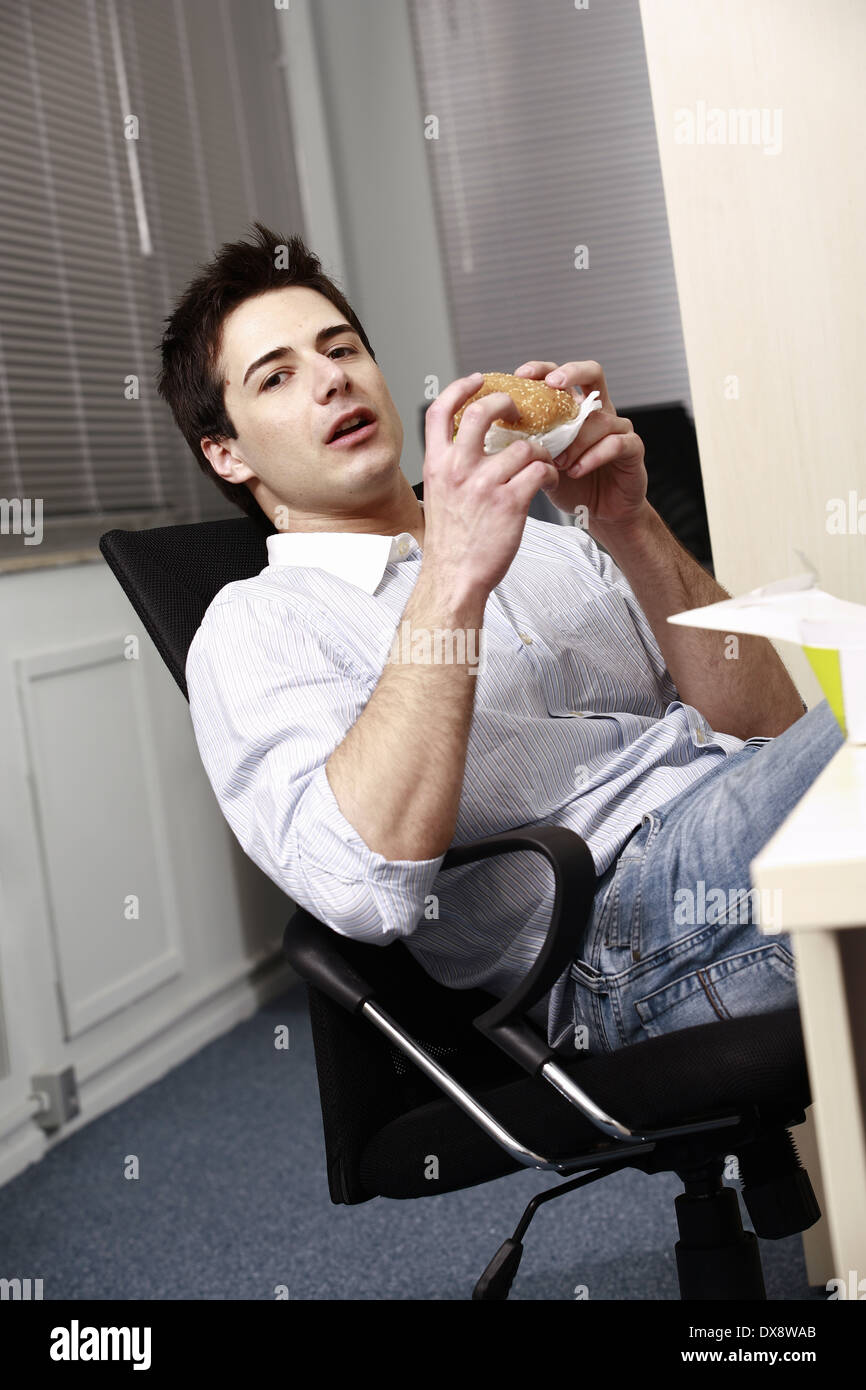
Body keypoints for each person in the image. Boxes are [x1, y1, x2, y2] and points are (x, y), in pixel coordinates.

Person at [158, 223, 843, 1056]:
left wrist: (628, 523)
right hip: (617, 943)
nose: (332, 378)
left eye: (341, 348)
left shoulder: (552, 540)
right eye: (278, 377)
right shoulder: (254, 625)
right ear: (226, 454)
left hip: (735, 831)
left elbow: (769, 724)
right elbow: (359, 889)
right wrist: (450, 576)